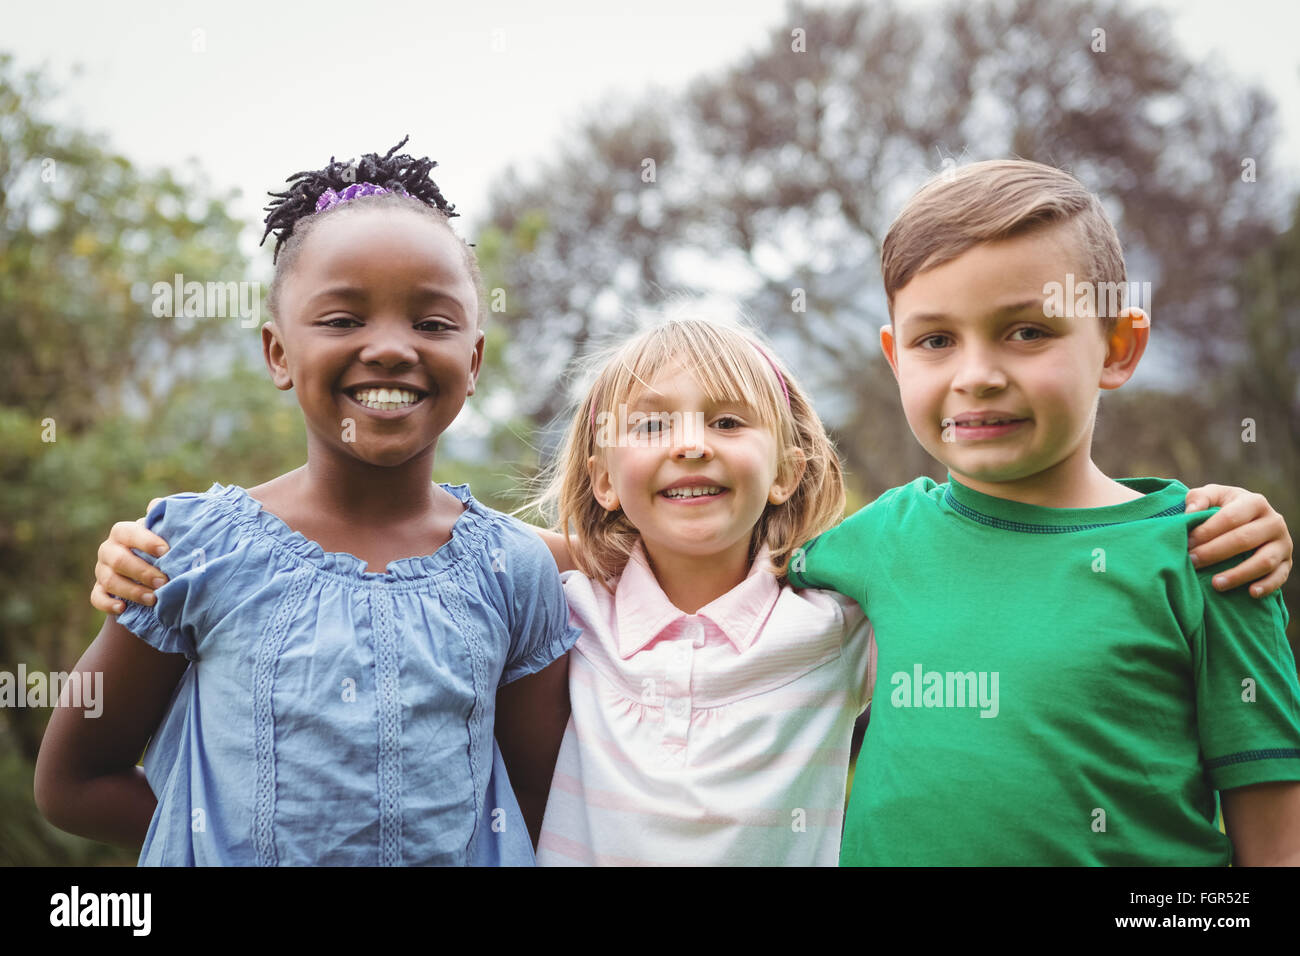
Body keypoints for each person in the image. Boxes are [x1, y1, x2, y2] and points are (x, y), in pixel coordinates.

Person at [34, 138, 579, 866]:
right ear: (278, 354)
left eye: (432, 323)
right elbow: (72, 782)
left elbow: (533, 804)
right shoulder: (189, 552)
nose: (390, 348)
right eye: (343, 319)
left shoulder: (513, 572)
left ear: (473, 361)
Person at [788, 158, 1300, 865]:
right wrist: (575, 554)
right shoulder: (873, 540)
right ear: (896, 358)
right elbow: (683, 564)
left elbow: (1277, 850)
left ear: (1118, 349)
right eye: (935, 341)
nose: (977, 376)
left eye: (1027, 331)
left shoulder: (1210, 553)